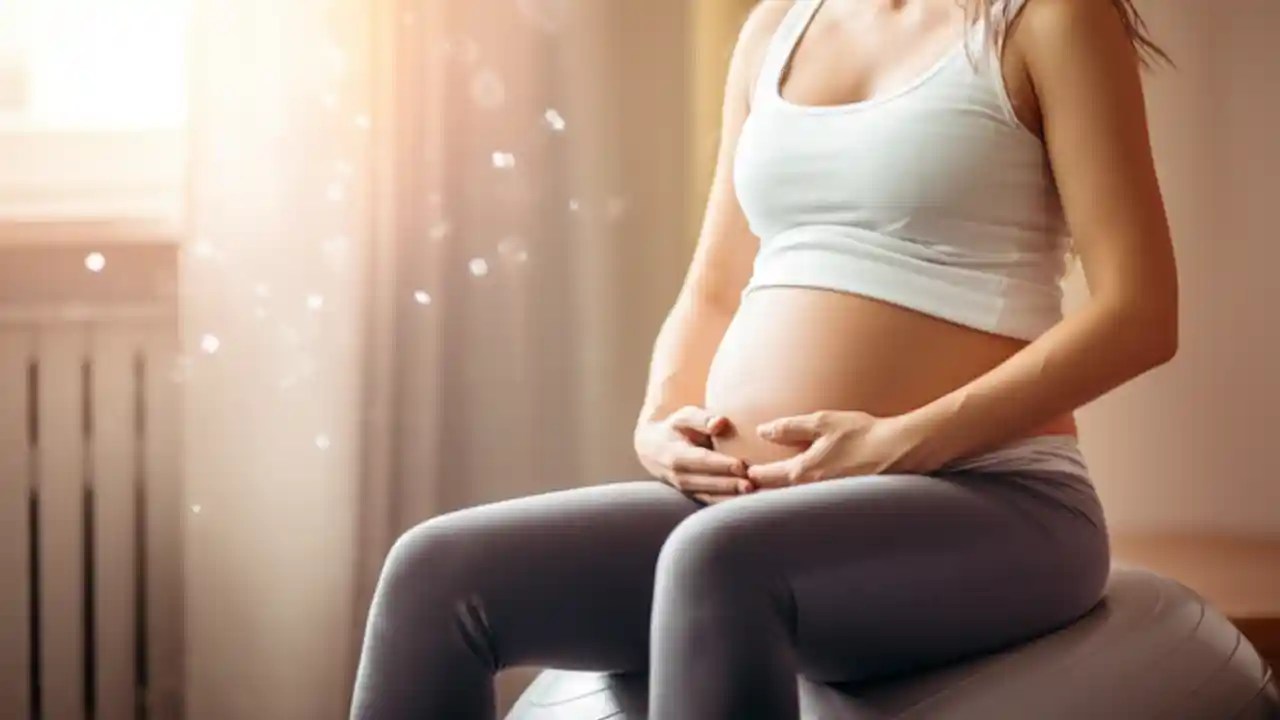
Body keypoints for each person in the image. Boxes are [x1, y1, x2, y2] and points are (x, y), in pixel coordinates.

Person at [349, 0, 1178, 717]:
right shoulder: (778, 28)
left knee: (720, 564)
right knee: (438, 575)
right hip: (746, 514)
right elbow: (716, 284)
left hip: (996, 498)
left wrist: (904, 440)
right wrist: (658, 420)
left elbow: (1140, 315)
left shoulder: (1048, 19)